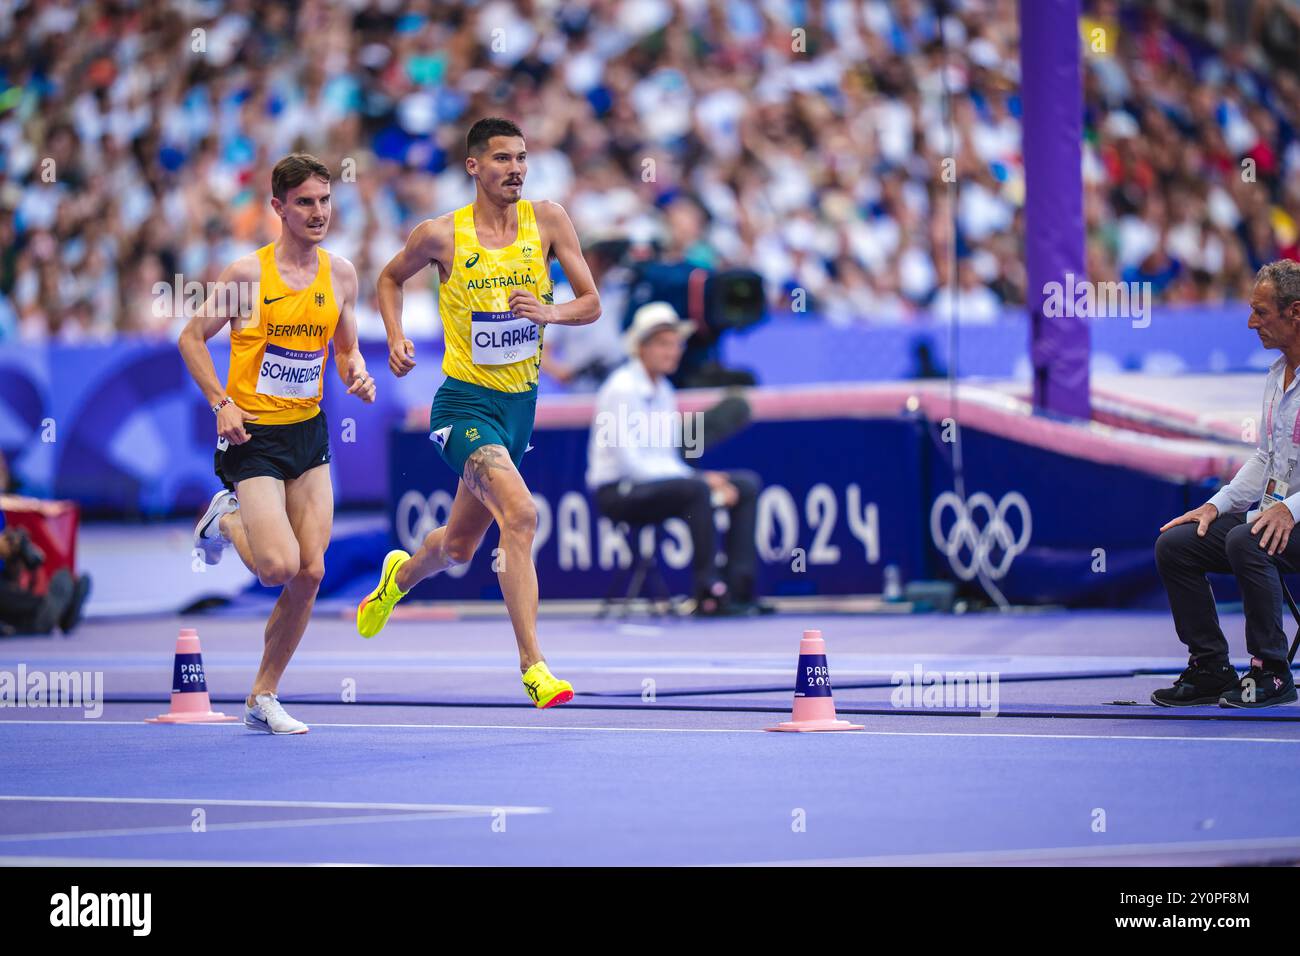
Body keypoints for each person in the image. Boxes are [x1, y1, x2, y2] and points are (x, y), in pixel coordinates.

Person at [356, 117, 600, 709]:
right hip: (462, 405)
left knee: (460, 548)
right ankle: (534, 666)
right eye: (500, 159)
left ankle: (399, 578)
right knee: (520, 515)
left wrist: (549, 315)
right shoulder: (441, 235)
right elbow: (388, 279)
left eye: (521, 158)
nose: (514, 169)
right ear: (473, 167)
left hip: (520, 410)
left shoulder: (549, 220)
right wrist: (393, 337)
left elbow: (590, 303)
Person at [178, 153, 376, 734]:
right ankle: (225, 516)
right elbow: (191, 339)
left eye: (325, 200)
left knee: (310, 573)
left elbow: (345, 350)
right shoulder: (247, 277)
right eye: (305, 203)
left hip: (307, 433)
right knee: (277, 567)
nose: (318, 212)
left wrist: (357, 372)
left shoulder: (341, 275)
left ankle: (263, 695)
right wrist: (221, 402)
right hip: (252, 437)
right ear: (278, 208)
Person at [1154, 259, 1300, 708]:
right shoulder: (1276, 377)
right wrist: (1213, 506)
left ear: (1295, 312)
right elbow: (1264, 459)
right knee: (1177, 544)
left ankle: (1272, 672)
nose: (1251, 321)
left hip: (1290, 520)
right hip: (1275, 518)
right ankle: (1211, 666)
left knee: (1246, 541)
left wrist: (1289, 510)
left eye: (1261, 311)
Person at [587, 301, 769, 616]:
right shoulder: (621, 389)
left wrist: (701, 478)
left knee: (745, 484)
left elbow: (665, 456)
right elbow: (632, 464)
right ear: (641, 348)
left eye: (675, 345)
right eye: (663, 344)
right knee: (696, 490)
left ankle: (738, 590)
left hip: (653, 485)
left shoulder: (665, 390)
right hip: (619, 492)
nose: (672, 352)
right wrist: (695, 480)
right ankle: (707, 592)